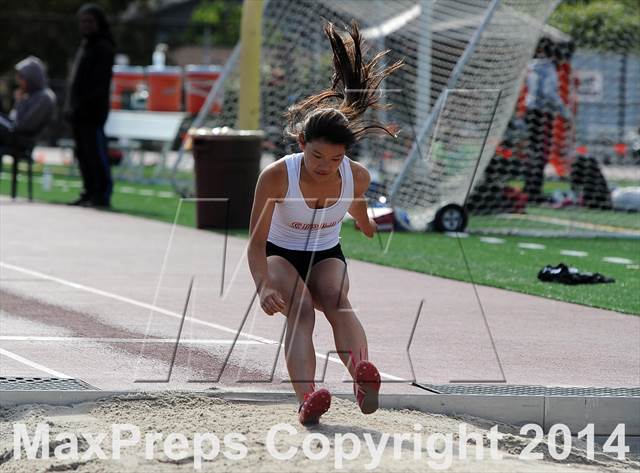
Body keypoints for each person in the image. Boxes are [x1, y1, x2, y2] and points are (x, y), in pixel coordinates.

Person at [247, 22, 403, 425]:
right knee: (301, 311)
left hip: (326, 252)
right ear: (302, 144)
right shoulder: (278, 175)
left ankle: (362, 377)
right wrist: (263, 284)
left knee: (336, 300)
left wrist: (368, 226)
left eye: (335, 160)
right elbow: (255, 241)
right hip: (281, 254)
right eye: (317, 158)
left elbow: (355, 207)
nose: (325, 167)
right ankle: (308, 397)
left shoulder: (357, 176)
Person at [64, 3, 115, 208]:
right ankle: (88, 191)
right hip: (78, 112)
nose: (85, 25)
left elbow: (98, 84)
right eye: (82, 21)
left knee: (95, 153)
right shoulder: (85, 46)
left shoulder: (103, 47)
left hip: (93, 113)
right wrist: (70, 106)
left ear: (98, 23)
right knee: (82, 154)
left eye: (89, 21)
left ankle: (101, 193)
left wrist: (83, 104)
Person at [523, 37, 573, 203]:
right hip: (542, 113)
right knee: (541, 153)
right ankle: (534, 191)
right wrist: (565, 113)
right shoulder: (549, 68)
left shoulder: (532, 65)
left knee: (532, 151)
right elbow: (549, 93)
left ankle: (528, 188)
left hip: (530, 111)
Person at [0, 56, 56, 149]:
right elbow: (14, 119)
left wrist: (20, 102)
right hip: (15, 135)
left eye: (22, 77)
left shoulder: (44, 97)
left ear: (32, 77)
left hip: (22, 140)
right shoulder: (32, 95)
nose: (19, 82)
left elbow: (22, 126)